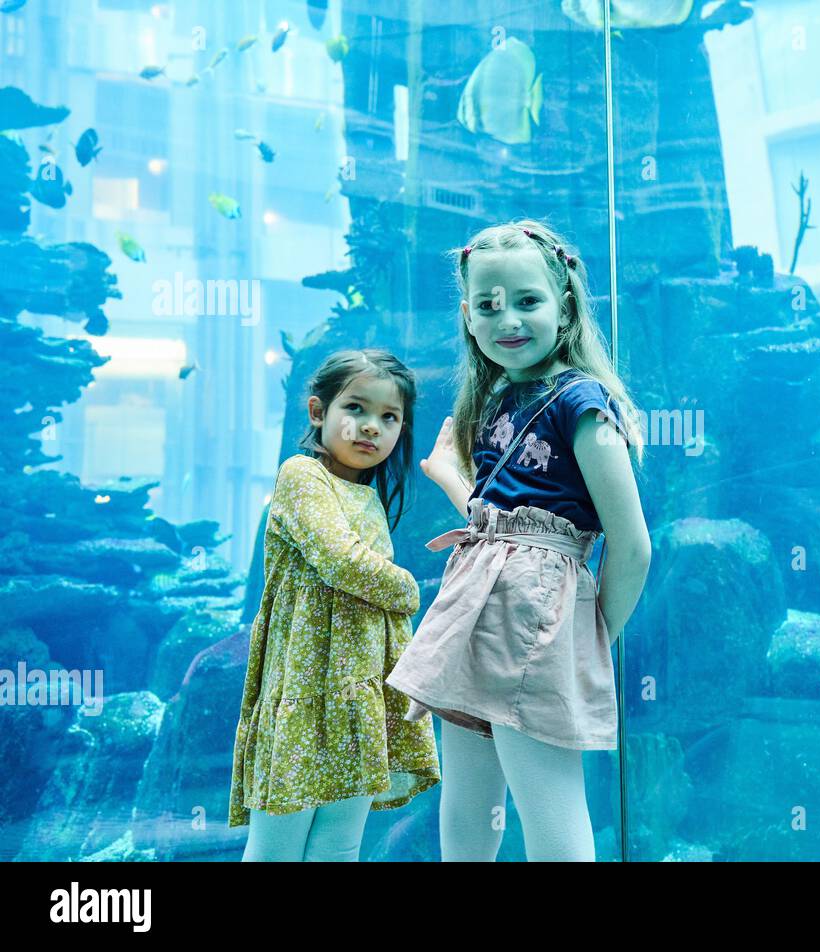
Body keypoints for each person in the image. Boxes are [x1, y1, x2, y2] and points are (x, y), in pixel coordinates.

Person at [385, 219, 652, 862]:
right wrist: (453, 477)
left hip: (536, 618)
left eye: (527, 300)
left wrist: (589, 636)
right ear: (468, 317)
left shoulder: (581, 402)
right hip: (477, 605)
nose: (508, 318)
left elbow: (633, 545)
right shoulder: (500, 396)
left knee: (548, 808)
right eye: (488, 304)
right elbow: (507, 522)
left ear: (565, 305)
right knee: (469, 806)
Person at [230, 348, 441, 861]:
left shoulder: (367, 498)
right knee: (276, 847)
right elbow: (342, 562)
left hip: (356, 699)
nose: (371, 427)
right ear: (318, 412)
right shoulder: (302, 476)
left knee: (340, 846)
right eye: (356, 409)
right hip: (303, 695)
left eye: (389, 417)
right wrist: (409, 589)